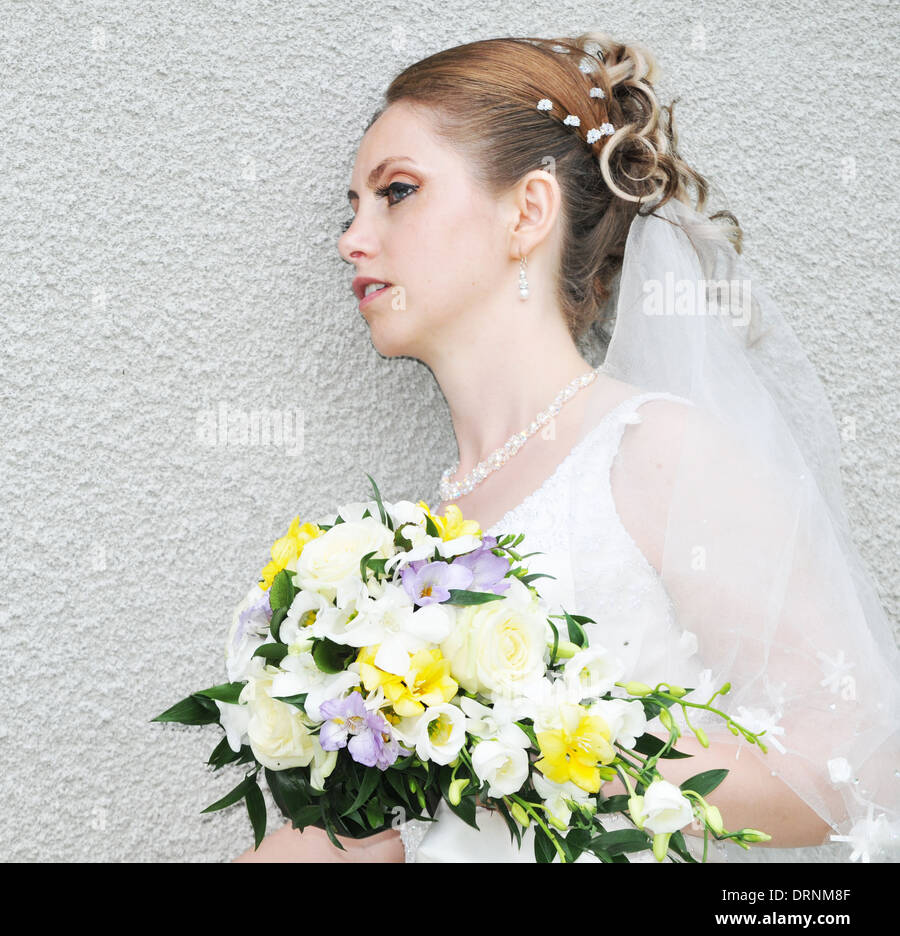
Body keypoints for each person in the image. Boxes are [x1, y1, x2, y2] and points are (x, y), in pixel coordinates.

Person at [235, 31, 900, 863]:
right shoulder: (413, 543)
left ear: (529, 211)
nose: (352, 239)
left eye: (396, 192)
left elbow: (857, 767)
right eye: (351, 208)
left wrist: (556, 743)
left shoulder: (653, 448)